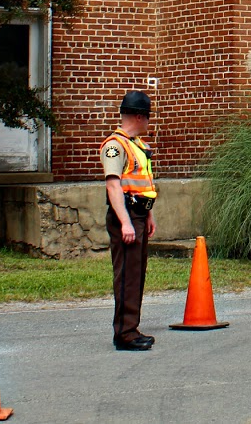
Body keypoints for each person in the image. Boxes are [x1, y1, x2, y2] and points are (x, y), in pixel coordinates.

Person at [103, 89, 157, 350]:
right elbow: (114, 187)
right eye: (148, 117)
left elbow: (142, 184)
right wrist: (125, 221)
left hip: (138, 214)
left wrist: (148, 214)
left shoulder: (139, 146)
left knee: (135, 273)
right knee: (126, 274)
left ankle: (131, 329)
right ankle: (124, 333)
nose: (149, 122)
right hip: (125, 215)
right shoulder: (116, 146)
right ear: (138, 116)